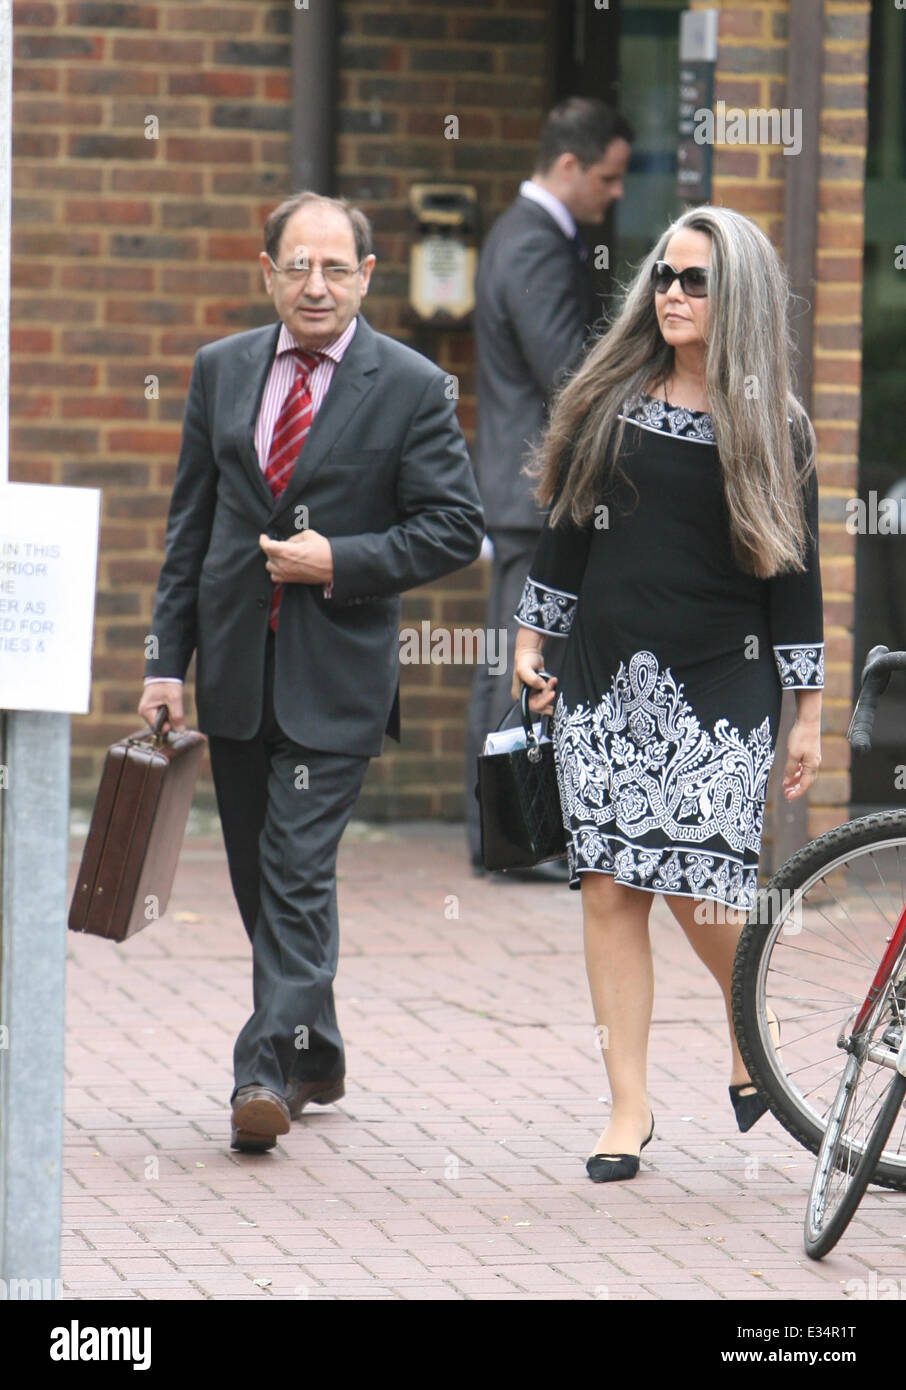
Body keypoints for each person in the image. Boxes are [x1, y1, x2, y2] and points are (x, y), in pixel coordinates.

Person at [139, 191, 484, 1153]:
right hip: (238, 673)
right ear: (268, 272)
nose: (316, 285)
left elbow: (457, 527)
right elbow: (190, 531)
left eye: (336, 268)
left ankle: (262, 1075)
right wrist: (167, 661)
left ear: (367, 277)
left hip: (338, 679)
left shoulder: (411, 384)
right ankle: (316, 1050)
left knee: (294, 870)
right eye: (298, 266)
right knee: (258, 877)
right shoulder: (221, 371)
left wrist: (344, 561)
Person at [512, 205, 824, 1181]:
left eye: (697, 281)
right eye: (664, 277)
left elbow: (795, 576)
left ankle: (749, 1026)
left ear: (740, 298)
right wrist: (531, 632)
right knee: (610, 885)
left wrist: (805, 707)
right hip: (607, 673)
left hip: (723, 676)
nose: (674, 295)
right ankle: (628, 1108)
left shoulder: (777, 424)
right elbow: (566, 530)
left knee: (698, 875)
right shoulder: (610, 397)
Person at [465, 97, 633, 878]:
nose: (616, 192)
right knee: (521, 663)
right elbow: (566, 370)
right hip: (534, 495)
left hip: (522, 491)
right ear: (568, 166)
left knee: (517, 656)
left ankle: (505, 838)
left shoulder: (526, 236)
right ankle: (507, 840)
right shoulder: (534, 243)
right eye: (608, 175)